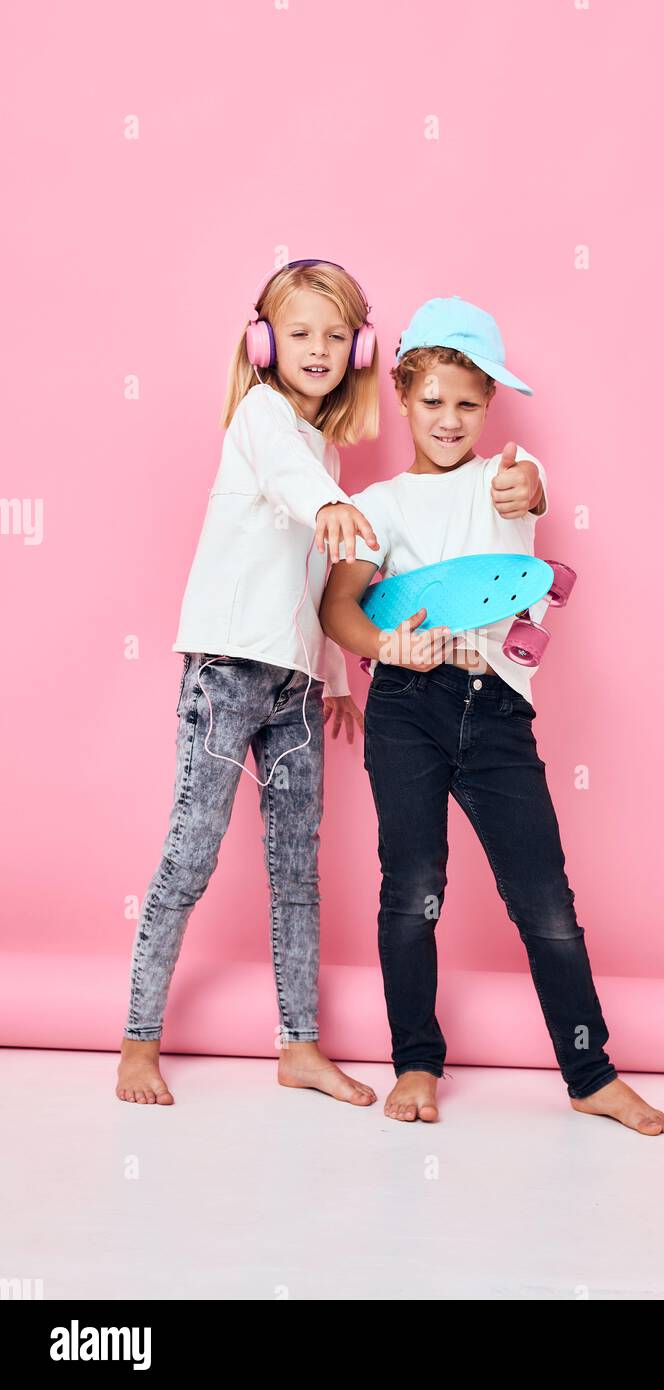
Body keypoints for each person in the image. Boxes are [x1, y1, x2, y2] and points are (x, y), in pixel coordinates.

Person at [321, 295, 664, 1134]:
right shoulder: (381, 504)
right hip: (408, 704)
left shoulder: (508, 479)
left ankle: (589, 1073)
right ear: (402, 395)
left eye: (468, 404)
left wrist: (528, 486)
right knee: (413, 891)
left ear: (490, 408)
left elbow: (527, 492)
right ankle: (415, 1063)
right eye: (433, 400)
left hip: (498, 709)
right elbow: (339, 611)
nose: (449, 419)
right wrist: (387, 647)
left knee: (546, 900)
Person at [118, 259, 381, 1108]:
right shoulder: (263, 418)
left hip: (295, 684)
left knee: (296, 867)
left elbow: (311, 581)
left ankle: (299, 1044)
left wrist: (335, 673)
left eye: (335, 336)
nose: (318, 349)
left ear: (359, 348)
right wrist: (330, 508)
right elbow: (289, 484)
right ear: (264, 343)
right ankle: (137, 1040)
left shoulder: (325, 448)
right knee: (190, 851)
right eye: (300, 333)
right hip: (227, 669)